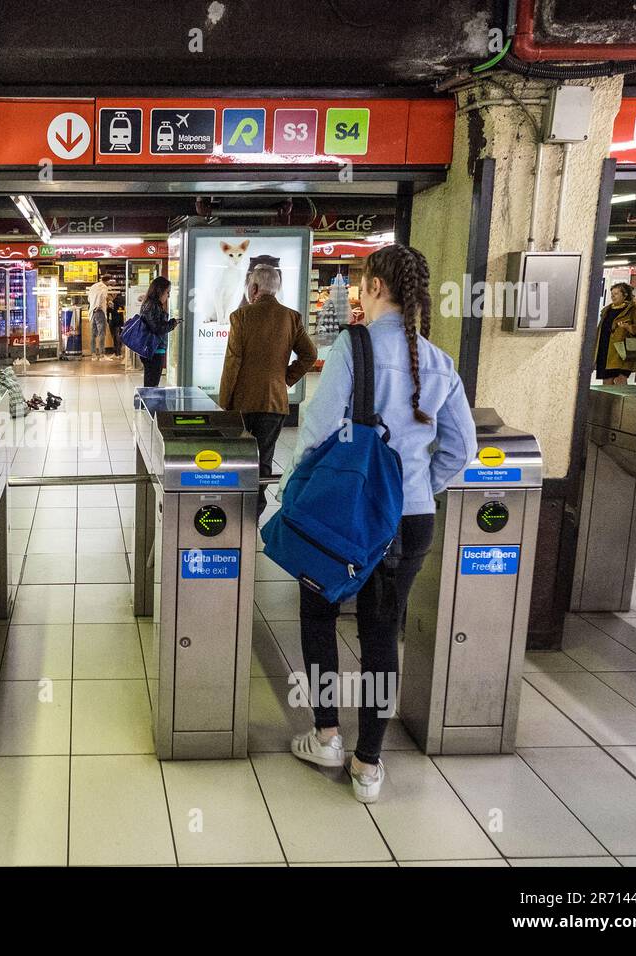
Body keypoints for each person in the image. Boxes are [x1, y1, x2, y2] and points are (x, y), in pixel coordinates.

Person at [282, 243, 476, 803]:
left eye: (360, 285)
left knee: (318, 614)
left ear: (373, 288)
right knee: (381, 633)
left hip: (346, 515)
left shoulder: (352, 345)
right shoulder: (439, 362)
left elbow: (317, 432)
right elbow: (460, 449)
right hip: (410, 520)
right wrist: (416, 488)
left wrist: (297, 491)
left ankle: (326, 735)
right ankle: (368, 765)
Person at [218, 263, 317, 478]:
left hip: (242, 403)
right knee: (263, 461)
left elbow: (233, 361)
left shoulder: (241, 316)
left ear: (254, 288)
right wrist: (285, 379)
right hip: (274, 402)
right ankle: (257, 508)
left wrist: (224, 402)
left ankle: (240, 506)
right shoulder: (292, 317)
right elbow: (310, 355)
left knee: (238, 460)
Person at [595, 282, 636, 386]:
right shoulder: (607, 310)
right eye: (612, 294)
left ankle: (619, 402)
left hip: (621, 352)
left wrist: (628, 327)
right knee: (606, 382)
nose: (613, 296)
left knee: (620, 381)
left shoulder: (633, 310)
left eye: (616, 293)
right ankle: (606, 402)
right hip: (605, 350)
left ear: (625, 295)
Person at [136, 276, 176, 388]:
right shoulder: (152, 305)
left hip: (152, 349)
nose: (168, 296)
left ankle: (148, 404)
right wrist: (172, 323)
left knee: (151, 382)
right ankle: (149, 404)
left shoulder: (151, 303)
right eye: (167, 292)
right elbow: (157, 328)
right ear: (160, 290)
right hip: (154, 350)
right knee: (152, 384)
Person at [86, 277, 111, 360]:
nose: (110, 284)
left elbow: (89, 299)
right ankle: (102, 355)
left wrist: (94, 306)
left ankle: (93, 355)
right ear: (107, 281)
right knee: (101, 333)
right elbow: (102, 297)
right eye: (109, 282)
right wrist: (99, 306)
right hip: (99, 311)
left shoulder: (93, 286)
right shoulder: (104, 287)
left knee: (93, 334)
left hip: (92, 312)